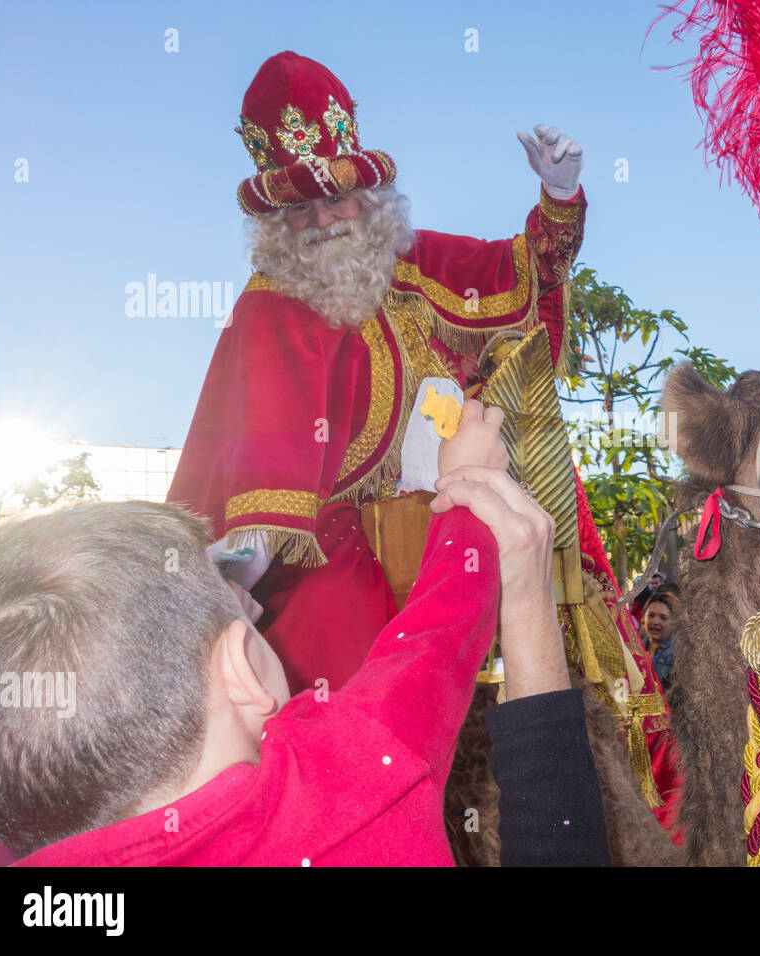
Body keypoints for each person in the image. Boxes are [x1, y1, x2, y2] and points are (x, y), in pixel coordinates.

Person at [166, 51, 684, 836]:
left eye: (334, 198)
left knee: (551, 615)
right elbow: (264, 477)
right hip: (327, 553)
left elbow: (526, 273)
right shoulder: (268, 311)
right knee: (336, 693)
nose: (321, 223)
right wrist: (233, 576)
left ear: (366, 192)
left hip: (458, 508)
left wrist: (560, 192)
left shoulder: (415, 264)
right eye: (297, 213)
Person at [0, 402, 611, 866]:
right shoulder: (342, 779)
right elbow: (437, 636)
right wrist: (468, 487)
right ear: (242, 675)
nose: (255, 601)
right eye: (246, 614)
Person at [643, 593, 677, 690]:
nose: (655, 622)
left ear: (673, 623)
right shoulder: (635, 646)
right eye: (651, 615)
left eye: (663, 618)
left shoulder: (679, 655)